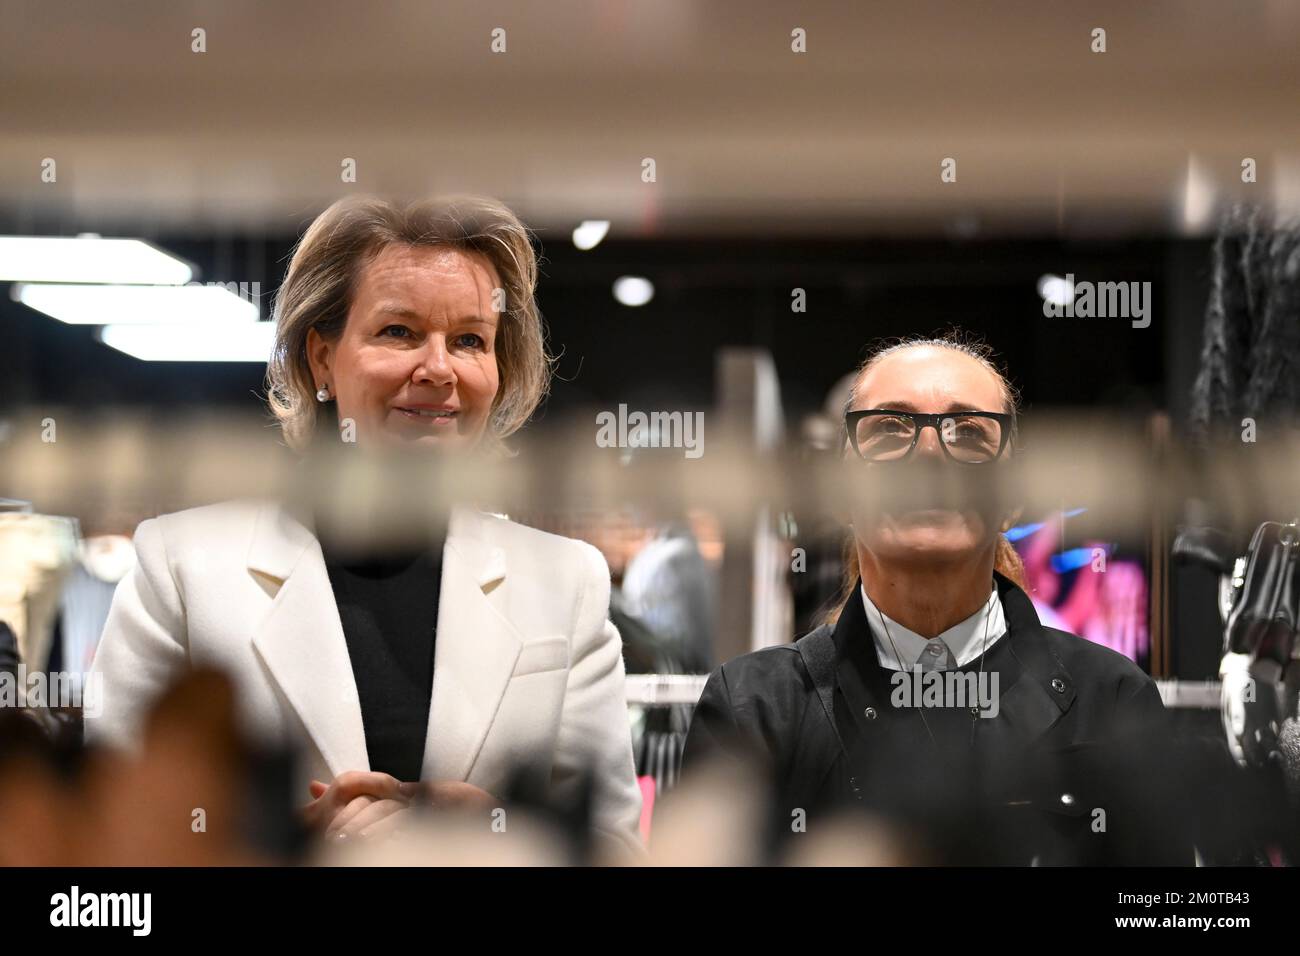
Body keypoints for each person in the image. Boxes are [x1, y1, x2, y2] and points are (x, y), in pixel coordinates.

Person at [88, 196, 642, 858]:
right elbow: (106, 841)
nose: (438, 369)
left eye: (470, 339)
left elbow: (615, 852)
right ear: (322, 360)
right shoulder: (182, 569)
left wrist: (499, 832)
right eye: (399, 332)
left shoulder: (563, 582)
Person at [680, 333, 1189, 864]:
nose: (928, 456)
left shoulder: (1112, 704)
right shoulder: (751, 711)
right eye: (888, 431)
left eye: (969, 434)